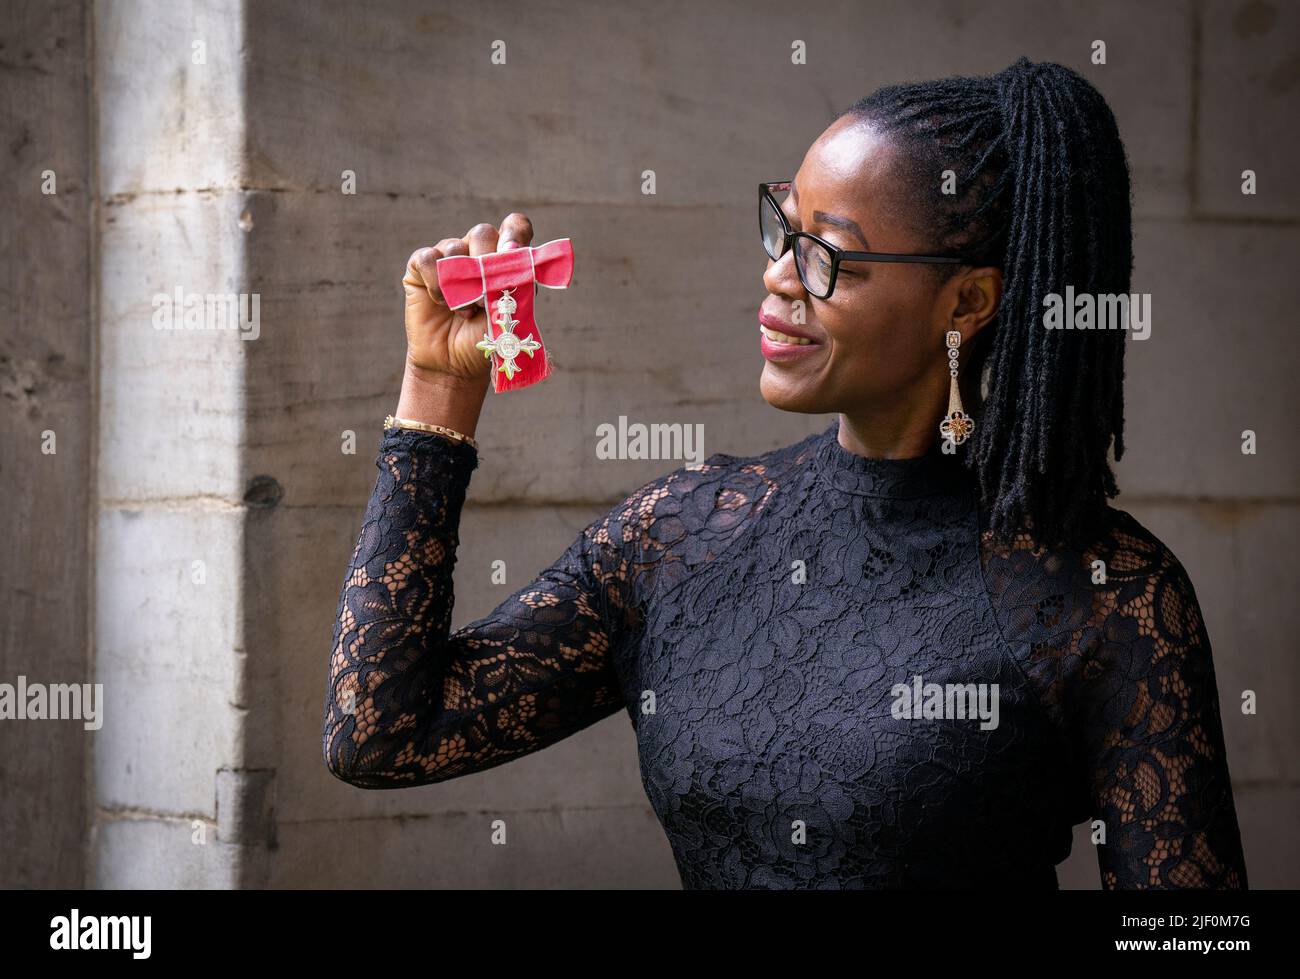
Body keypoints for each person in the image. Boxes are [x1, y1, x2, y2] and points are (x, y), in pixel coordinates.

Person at [322, 58, 1249, 889]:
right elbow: (380, 735)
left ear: (965, 301)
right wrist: (439, 387)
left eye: (826, 253)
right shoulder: (681, 535)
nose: (778, 275)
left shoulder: (1106, 594)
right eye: (783, 227)